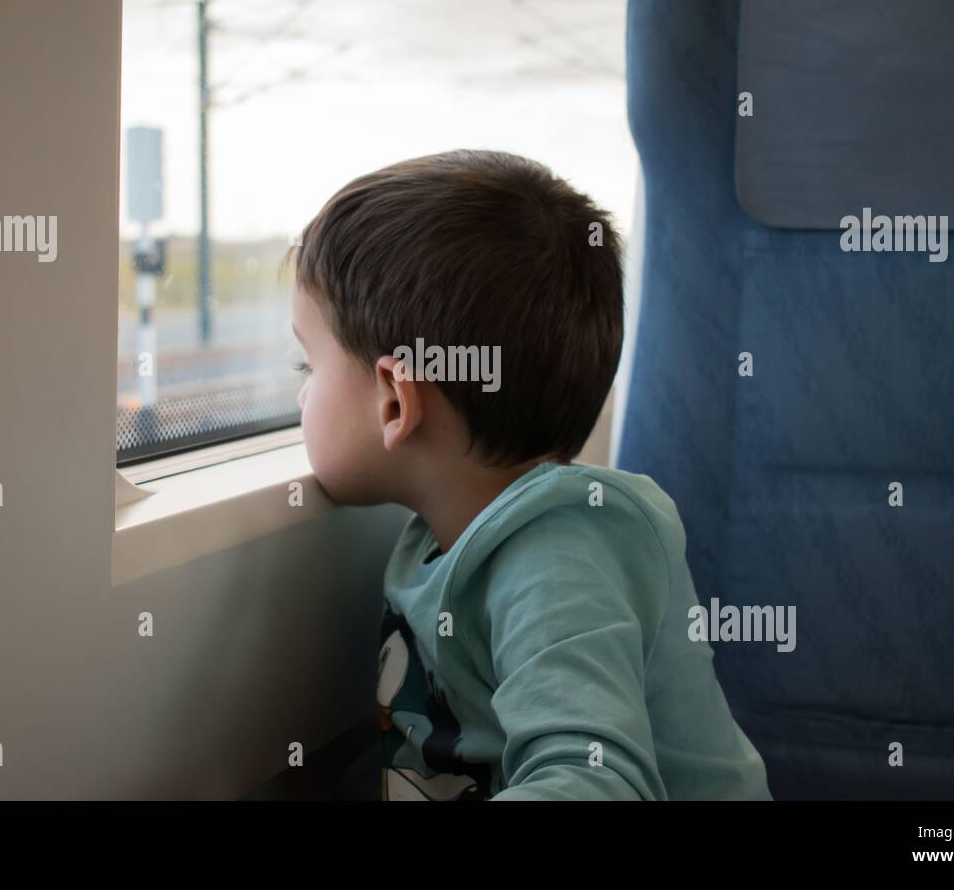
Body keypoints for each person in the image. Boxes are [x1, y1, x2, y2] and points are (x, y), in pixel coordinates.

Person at [285, 149, 771, 800]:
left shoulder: (556, 556)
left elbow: (595, 784)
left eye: (307, 367)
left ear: (395, 403)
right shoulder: (454, 535)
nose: (300, 396)